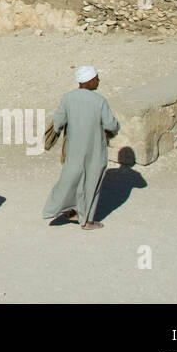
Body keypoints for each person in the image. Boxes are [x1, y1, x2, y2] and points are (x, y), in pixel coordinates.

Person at [42, 65, 120, 230]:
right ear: (90, 80)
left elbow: (58, 122)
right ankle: (87, 220)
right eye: (96, 78)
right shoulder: (99, 101)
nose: (98, 81)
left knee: (72, 179)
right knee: (92, 183)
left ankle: (64, 210)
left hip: (73, 149)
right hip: (94, 150)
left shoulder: (68, 98)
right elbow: (110, 125)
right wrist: (115, 128)